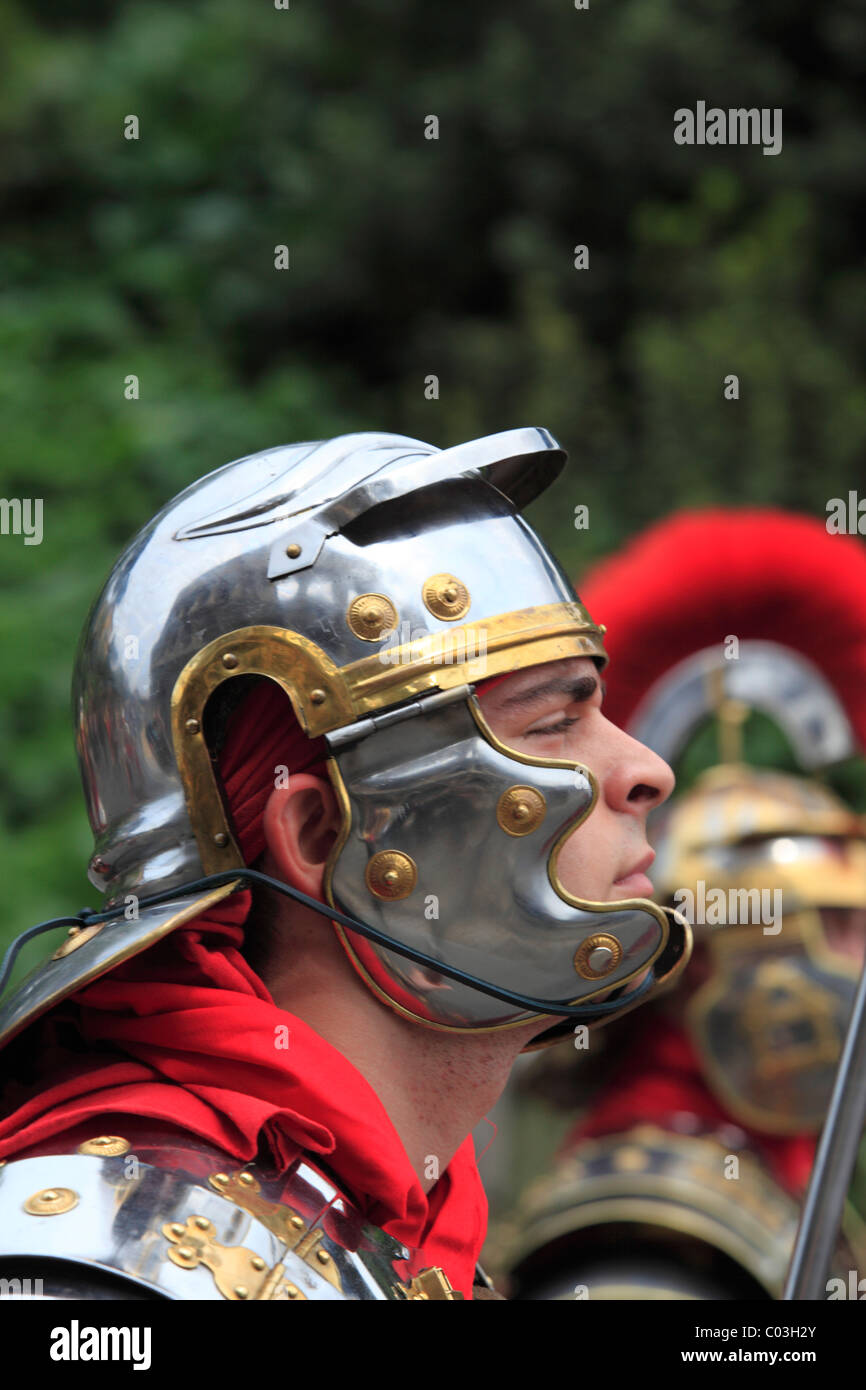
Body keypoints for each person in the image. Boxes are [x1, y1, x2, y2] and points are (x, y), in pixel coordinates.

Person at [0, 428, 690, 1301]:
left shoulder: (402, 1241)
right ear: (323, 832)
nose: (647, 770)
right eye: (554, 725)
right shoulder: (118, 1262)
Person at [501, 508, 866, 1300]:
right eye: (839, 926)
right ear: (735, 957)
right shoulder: (649, 1240)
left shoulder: (762, 1179)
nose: (860, 959)